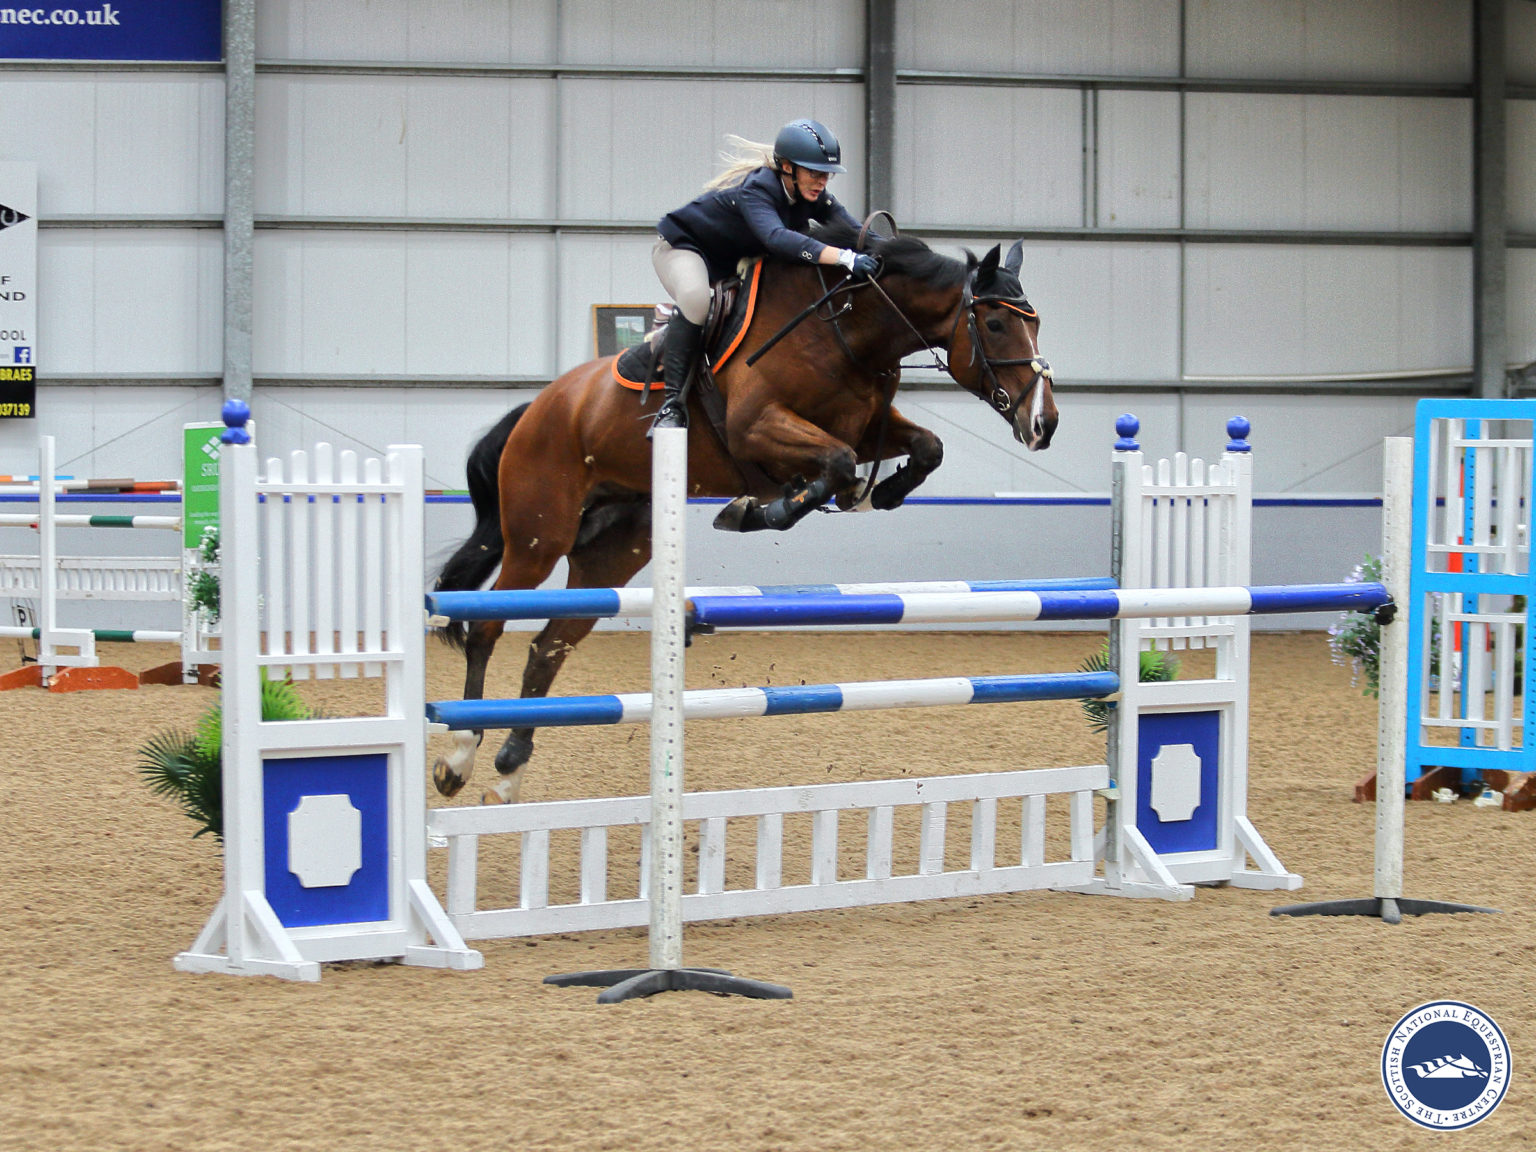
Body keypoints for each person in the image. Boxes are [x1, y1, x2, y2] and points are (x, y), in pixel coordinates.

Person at [648, 118, 879, 433]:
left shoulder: (815, 196)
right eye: (814, 173)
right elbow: (776, 239)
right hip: (684, 248)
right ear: (787, 167)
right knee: (696, 298)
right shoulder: (758, 189)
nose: (822, 181)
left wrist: (900, 255)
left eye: (826, 174)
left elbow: (858, 232)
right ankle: (671, 406)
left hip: (729, 262)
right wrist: (843, 257)